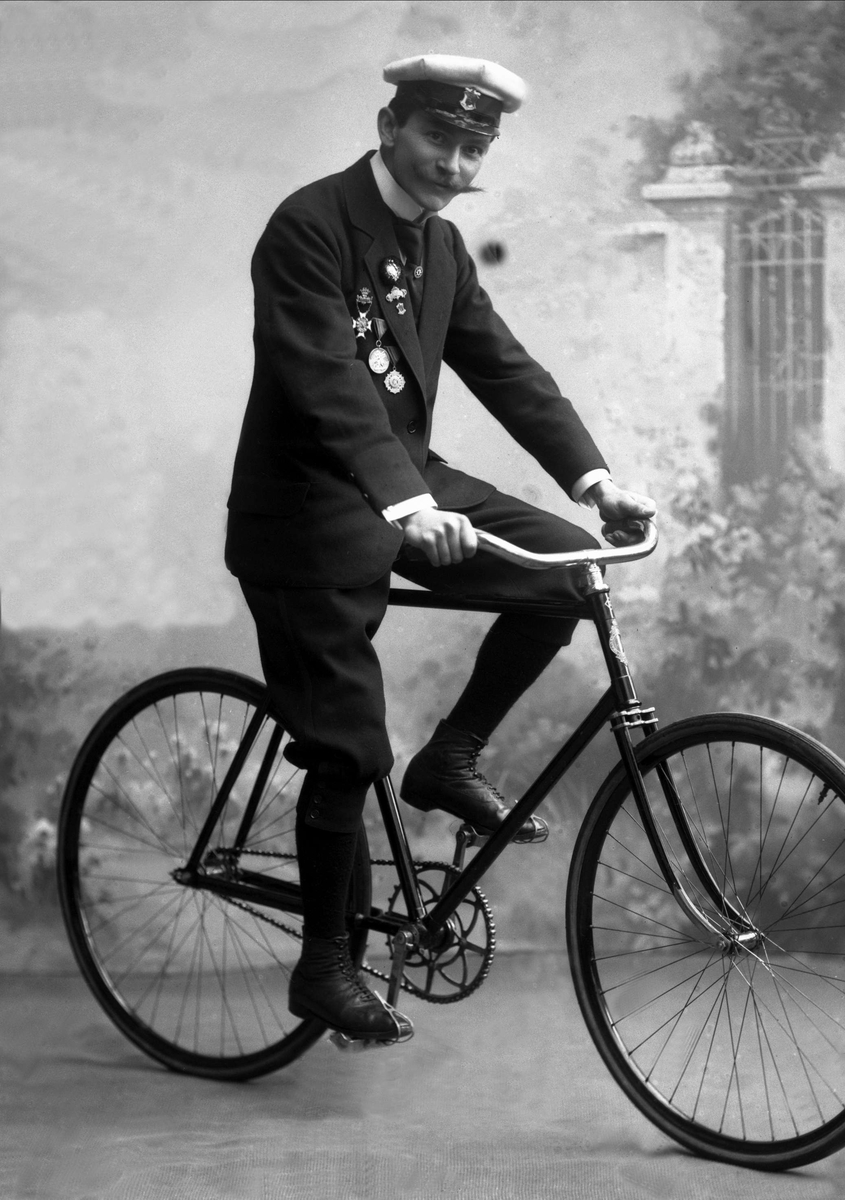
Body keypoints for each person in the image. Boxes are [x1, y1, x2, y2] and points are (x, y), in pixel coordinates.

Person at [224, 54, 656, 1044]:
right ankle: (324, 966)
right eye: (438, 138)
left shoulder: (443, 249)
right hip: (305, 514)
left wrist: (595, 482)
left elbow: (508, 371)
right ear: (389, 124)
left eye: (473, 148)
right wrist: (407, 502)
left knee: (566, 569)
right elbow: (327, 382)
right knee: (347, 744)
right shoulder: (307, 227)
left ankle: (450, 756)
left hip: (406, 487)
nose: (454, 163)